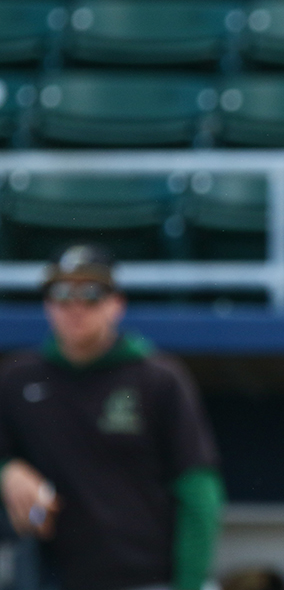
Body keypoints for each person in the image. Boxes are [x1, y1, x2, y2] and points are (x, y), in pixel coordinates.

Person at [0, 244, 226, 590]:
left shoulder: (157, 377)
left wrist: (190, 584)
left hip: (148, 579)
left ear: (116, 304)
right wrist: (8, 470)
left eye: (91, 294)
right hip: (52, 579)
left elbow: (198, 488)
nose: (75, 307)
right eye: (61, 294)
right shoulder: (18, 379)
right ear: (47, 305)